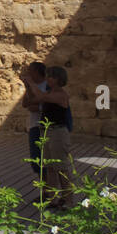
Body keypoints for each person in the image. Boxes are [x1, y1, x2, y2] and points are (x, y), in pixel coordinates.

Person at [39, 66, 73, 208]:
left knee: (62, 167)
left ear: (58, 79)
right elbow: (33, 100)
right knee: (50, 167)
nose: (47, 79)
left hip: (58, 133)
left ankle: (69, 200)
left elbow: (40, 97)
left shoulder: (61, 94)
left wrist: (31, 83)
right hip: (47, 131)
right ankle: (52, 198)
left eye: (50, 76)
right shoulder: (50, 92)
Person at [20, 61, 49, 176]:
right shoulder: (31, 87)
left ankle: (48, 190)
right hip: (33, 125)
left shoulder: (47, 86)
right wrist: (28, 87)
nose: (28, 73)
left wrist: (36, 104)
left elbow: (41, 104)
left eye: (30, 71)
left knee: (45, 160)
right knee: (36, 160)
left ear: (36, 72)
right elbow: (25, 104)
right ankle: (44, 189)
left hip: (45, 126)